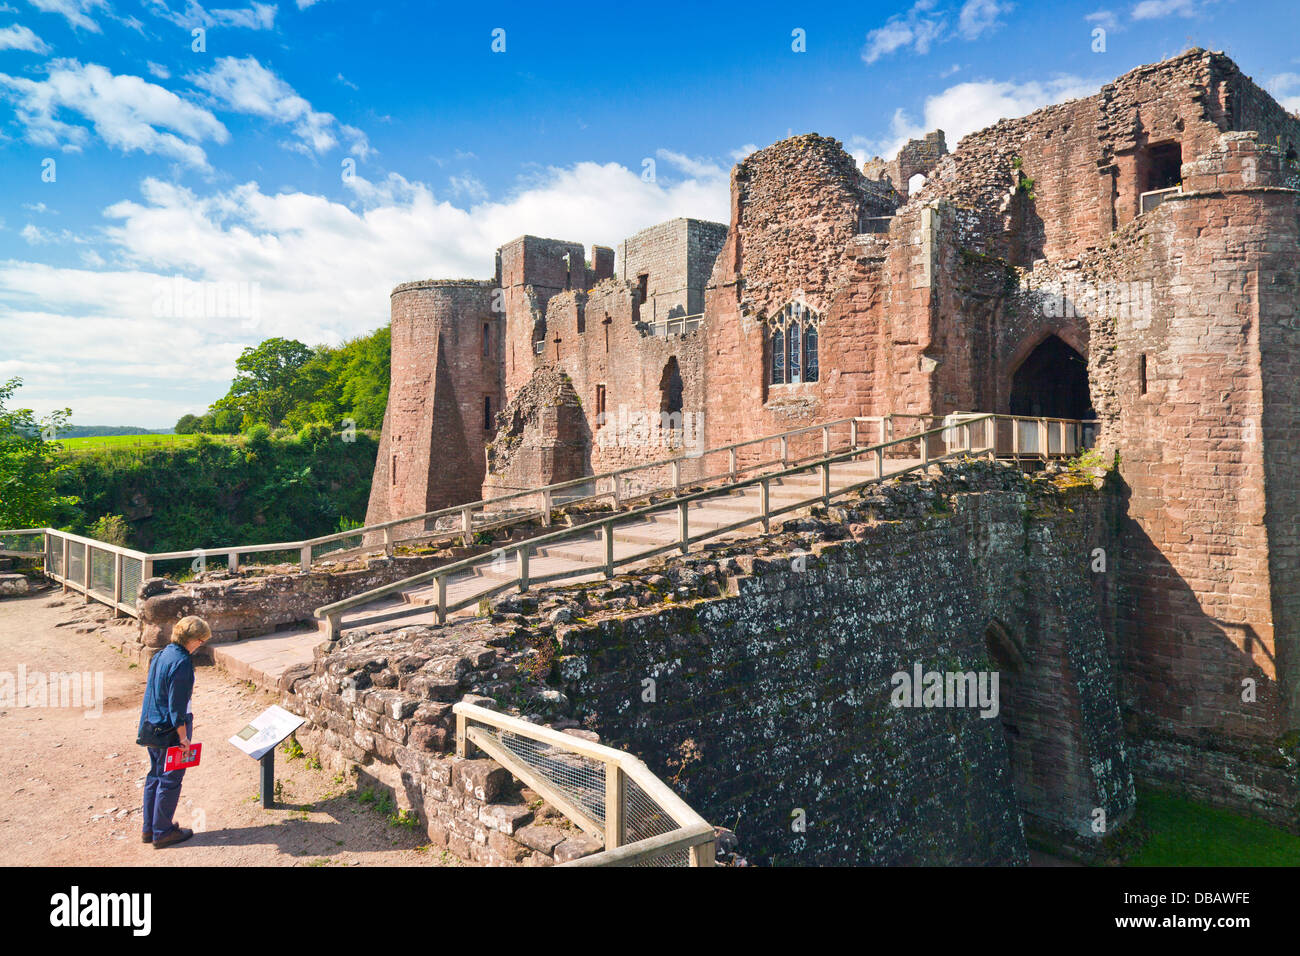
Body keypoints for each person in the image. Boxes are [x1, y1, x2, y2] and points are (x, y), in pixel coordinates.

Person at [137, 615, 209, 849]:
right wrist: (183, 737)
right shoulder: (182, 663)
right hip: (169, 730)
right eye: (201, 640)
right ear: (193, 640)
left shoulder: (161, 654)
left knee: (154, 776)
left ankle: (150, 828)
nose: (201, 645)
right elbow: (177, 705)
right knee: (170, 780)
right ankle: (163, 831)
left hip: (151, 725)